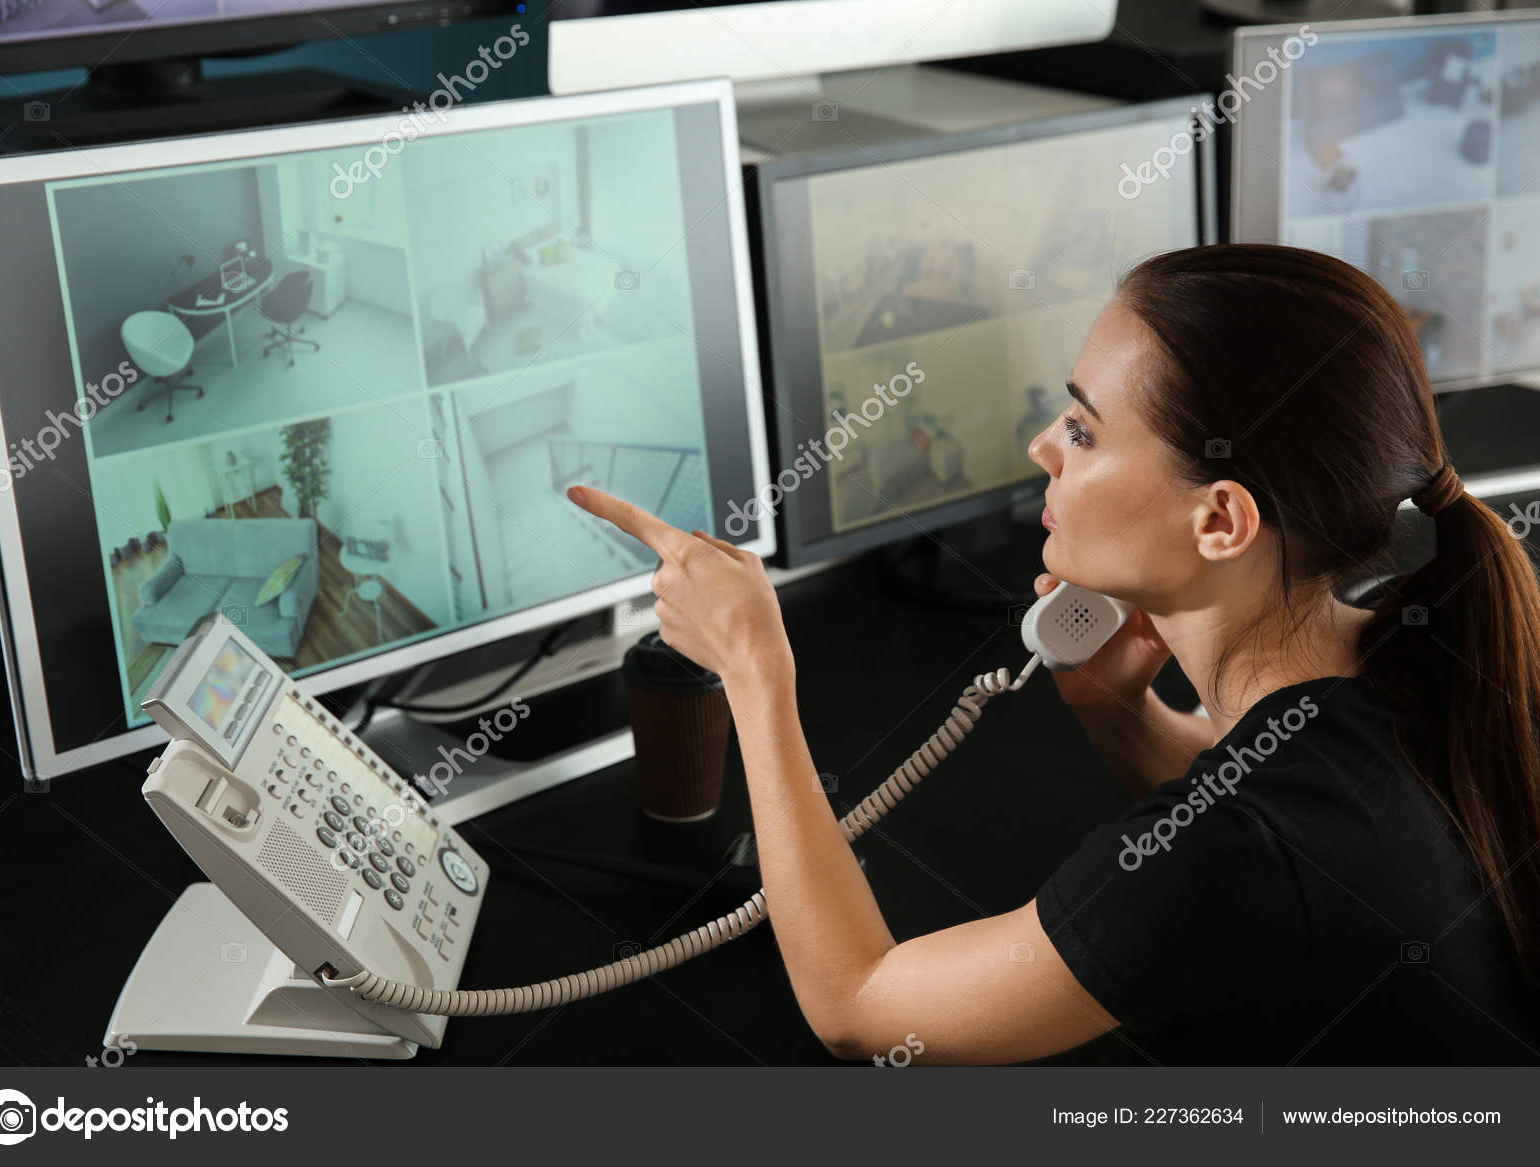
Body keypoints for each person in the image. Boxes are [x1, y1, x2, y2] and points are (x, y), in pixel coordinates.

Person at [566, 243, 1540, 1065]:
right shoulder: (1422, 663)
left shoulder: (1226, 856)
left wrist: (752, 670)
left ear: (1219, 520)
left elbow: (859, 1006)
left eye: (1082, 427)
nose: (1043, 447)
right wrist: (1121, 713)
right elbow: (1285, 823)